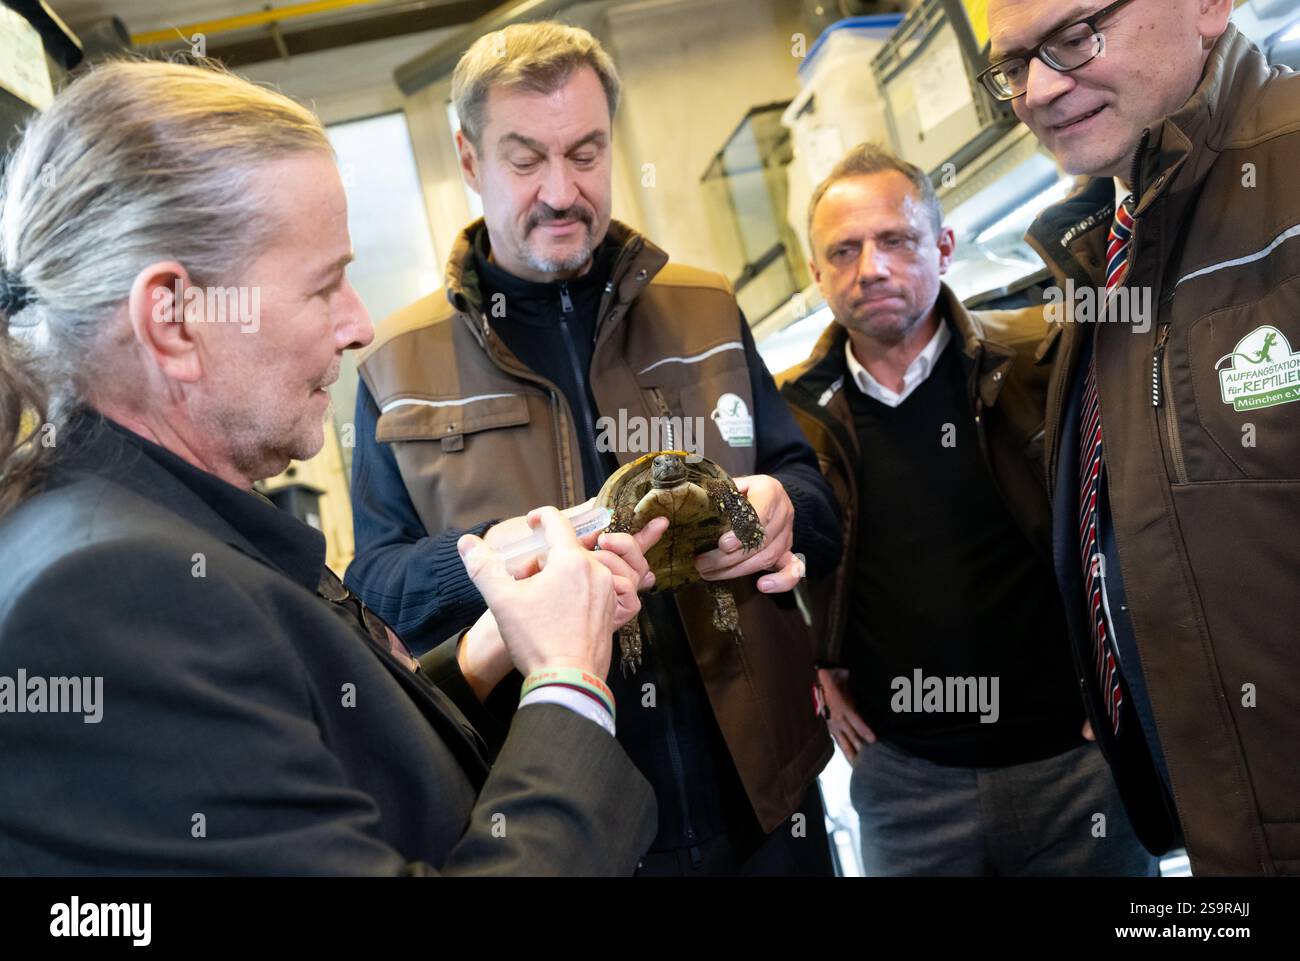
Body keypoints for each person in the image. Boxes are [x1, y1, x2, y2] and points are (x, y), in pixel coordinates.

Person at [0, 59, 658, 875]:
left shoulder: (150, 527)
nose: (358, 324)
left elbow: (316, 777)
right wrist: (567, 683)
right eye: (325, 287)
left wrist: (488, 656)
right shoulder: (111, 597)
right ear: (171, 320)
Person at [345, 21, 843, 875]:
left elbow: (814, 487)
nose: (563, 191)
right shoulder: (396, 363)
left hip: (764, 806)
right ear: (469, 160)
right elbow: (375, 591)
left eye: (586, 152)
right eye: (526, 159)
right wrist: (483, 566)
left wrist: (785, 505)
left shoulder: (706, 308)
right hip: (564, 826)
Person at [984, 0, 1300, 873]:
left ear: (1207, 5)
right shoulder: (1107, 255)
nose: (1041, 89)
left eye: (1075, 35)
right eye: (1012, 67)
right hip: (1215, 835)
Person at [779, 143, 1155, 875]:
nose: (874, 267)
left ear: (943, 248)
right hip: (907, 788)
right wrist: (812, 655)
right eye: (845, 250)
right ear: (817, 273)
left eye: (897, 240)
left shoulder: (1040, 361)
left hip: (1076, 772)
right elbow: (773, 560)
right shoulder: (791, 414)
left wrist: (1128, 673)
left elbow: (1131, 515)